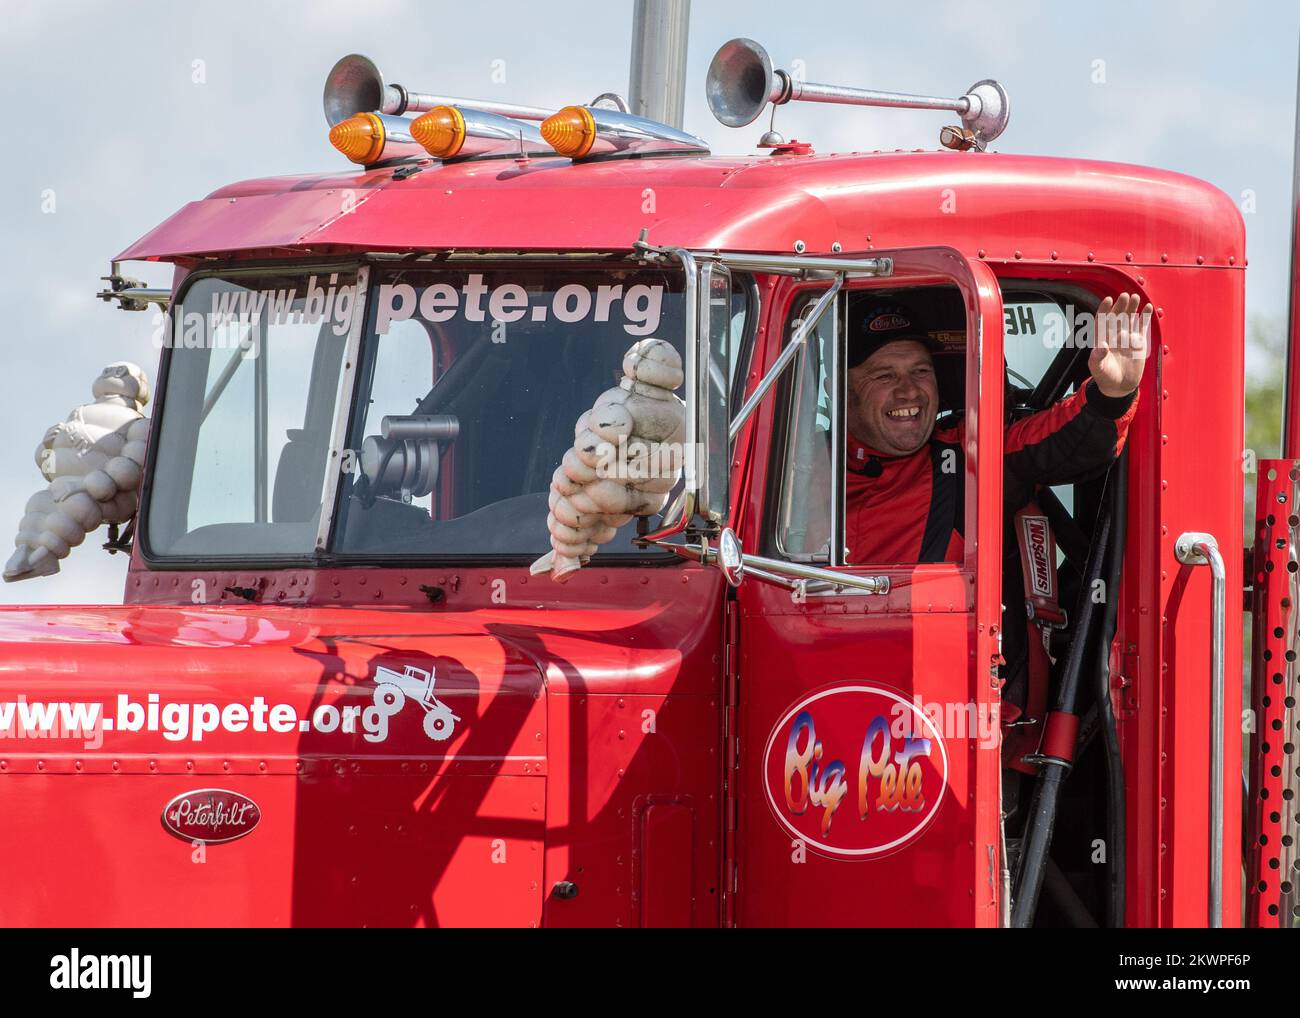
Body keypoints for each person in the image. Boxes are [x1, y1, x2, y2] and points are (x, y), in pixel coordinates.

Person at [842, 293, 1148, 564]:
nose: (909, 391)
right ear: (840, 390)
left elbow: (1057, 441)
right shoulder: (802, 462)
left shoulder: (966, 455)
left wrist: (1110, 397)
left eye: (920, 371)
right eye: (884, 376)